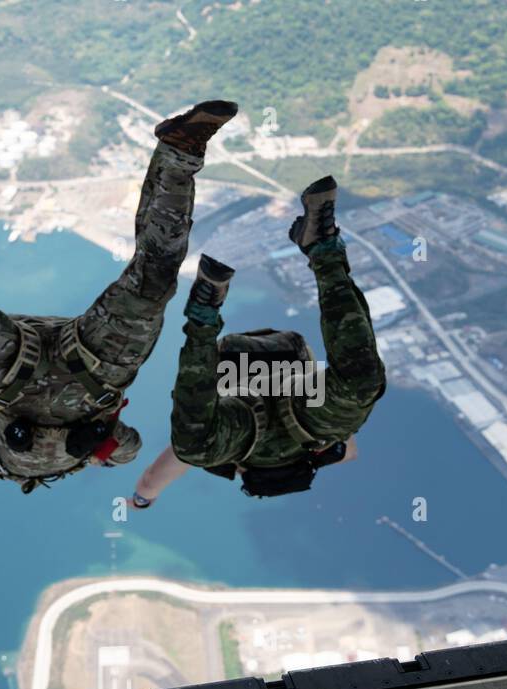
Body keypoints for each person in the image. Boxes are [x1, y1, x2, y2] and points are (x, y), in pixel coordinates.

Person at [0, 100, 239, 506]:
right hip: (92, 371)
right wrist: (101, 446)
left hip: (2, 370)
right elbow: (131, 447)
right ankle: (180, 152)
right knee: (151, 286)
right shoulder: (96, 447)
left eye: (22, 446)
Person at [132, 176, 385, 507]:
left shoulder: (322, 445)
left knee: (362, 385)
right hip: (242, 374)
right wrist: (140, 500)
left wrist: (326, 449)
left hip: (290, 372)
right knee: (191, 446)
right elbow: (152, 479)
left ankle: (323, 249)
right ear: (241, 470)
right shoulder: (225, 452)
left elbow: (350, 451)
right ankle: (203, 314)